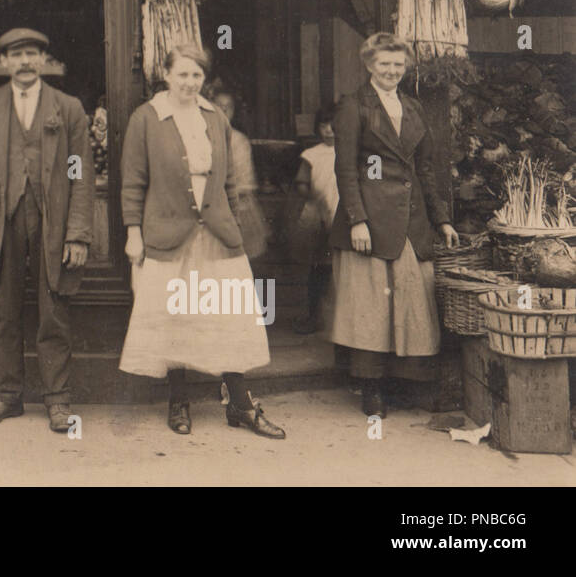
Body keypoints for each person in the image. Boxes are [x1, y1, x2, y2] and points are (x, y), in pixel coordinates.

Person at [119, 44, 285, 439]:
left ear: (204, 79)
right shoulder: (146, 118)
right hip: (168, 233)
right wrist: (133, 233)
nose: (189, 83)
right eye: (182, 75)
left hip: (216, 234)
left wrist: (232, 224)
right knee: (175, 317)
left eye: (197, 76)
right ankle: (178, 401)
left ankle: (241, 405)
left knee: (227, 317)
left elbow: (229, 180)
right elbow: (133, 183)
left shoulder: (214, 118)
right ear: (167, 75)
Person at [0, 28, 93, 432]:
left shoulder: (68, 108)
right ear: (4, 62)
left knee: (54, 308)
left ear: (44, 60)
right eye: (16, 55)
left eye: (32, 54)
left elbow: (80, 174)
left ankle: (57, 400)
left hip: (53, 219)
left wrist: (77, 232)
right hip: (4, 220)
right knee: (4, 308)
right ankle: (6, 396)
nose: (25, 62)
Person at [326, 33, 458, 418]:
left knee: (409, 303)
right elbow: (346, 169)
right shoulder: (354, 108)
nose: (391, 71)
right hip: (370, 222)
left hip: (411, 221)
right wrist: (358, 221)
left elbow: (425, 169)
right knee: (370, 309)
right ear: (369, 65)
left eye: (398, 64)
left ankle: (402, 386)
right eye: (384, 64)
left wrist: (442, 218)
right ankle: (371, 391)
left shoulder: (413, 108)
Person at [291, 103, 338, 334]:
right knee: (319, 269)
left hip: (345, 217)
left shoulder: (352, 151)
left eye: (333, 124)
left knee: (342, 270)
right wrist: (312, 197)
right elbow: (301, 183)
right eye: (323, 125)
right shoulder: (312, 154)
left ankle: (341, 318)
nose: (328, 130)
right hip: (320, 217)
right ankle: (314, 316)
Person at [212, 90, 267, 262]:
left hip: (237, 209)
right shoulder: (201, 136)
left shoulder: (239, 140)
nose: (224, 110)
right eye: (219, 106)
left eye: (228, 107)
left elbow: (245, 183)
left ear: (233, 111)